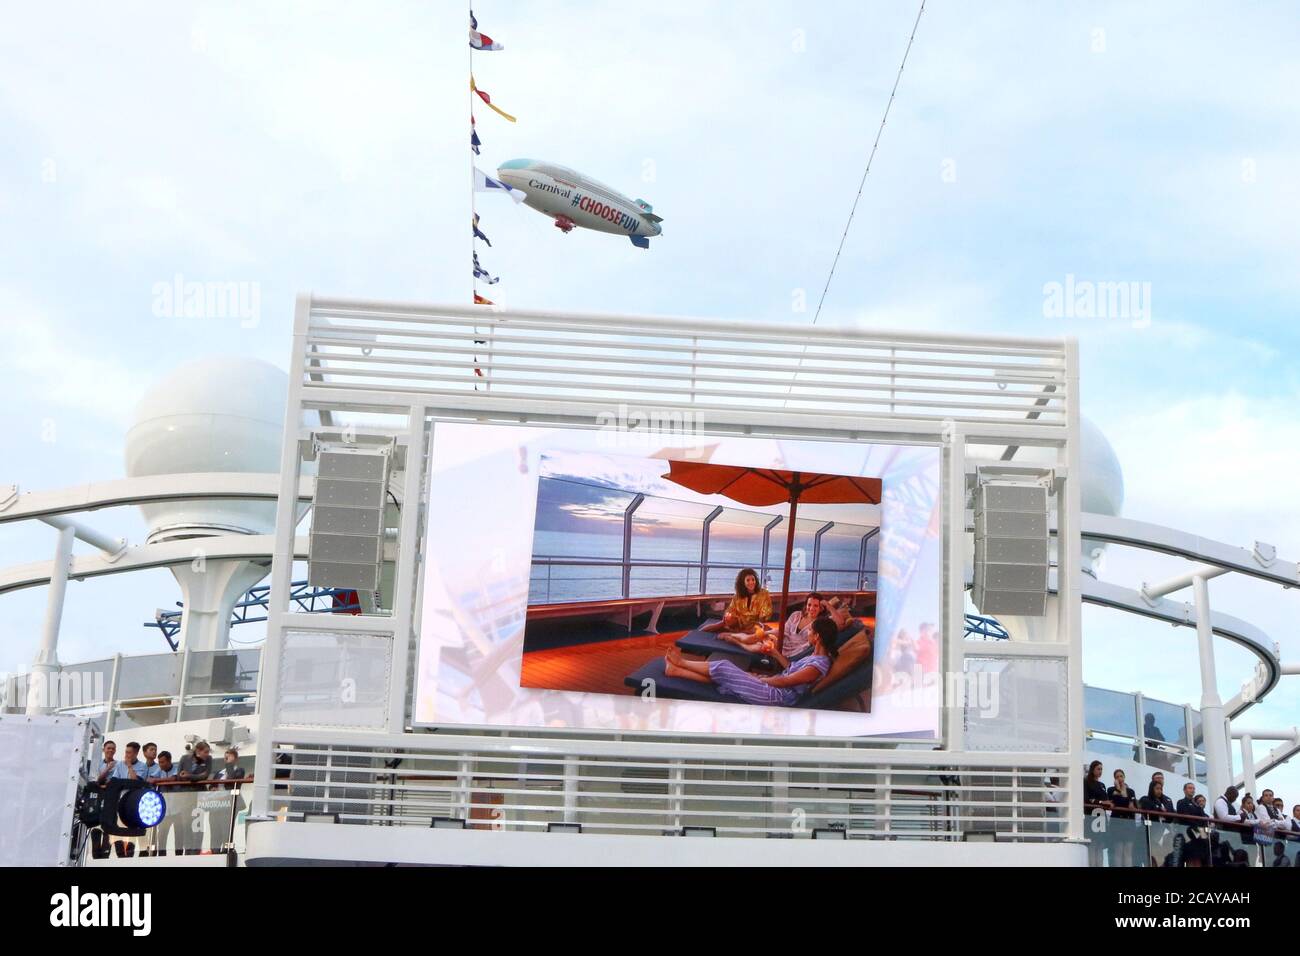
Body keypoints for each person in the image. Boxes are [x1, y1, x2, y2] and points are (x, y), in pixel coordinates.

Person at [663, 616, 836, 708]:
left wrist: (760, 679)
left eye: (811, 631)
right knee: (728, 678)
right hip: (774, 686)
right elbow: (791, 669)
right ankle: (675, 671)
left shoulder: (818, 666)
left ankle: (682, 663)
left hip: (776, 697)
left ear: (818, 636)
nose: (808, 633)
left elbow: (786, 681)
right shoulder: (814, 656)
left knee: (724, 666)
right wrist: (775, 653)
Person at [702, 568, 772, 634]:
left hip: (755, 624)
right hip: (739, 622)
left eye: (753, 580)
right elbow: (731, 609)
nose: (751, 582)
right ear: (743, 582)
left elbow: (765, 613)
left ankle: (739, 632)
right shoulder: (738, 595)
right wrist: (727, 617)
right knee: (721, 624)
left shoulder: (763, 593)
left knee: (758, 630)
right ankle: (699, 633)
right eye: (748, 580)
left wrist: (759, 624)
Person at [1108, 769, 1138, 867]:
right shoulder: (1111, 790)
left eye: (1121, 776)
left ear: (1124, 777)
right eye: (1117, 777)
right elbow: (1117, 803)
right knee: (1118, 850)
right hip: (1117, 822)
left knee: (1128, 851)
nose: (1119, 778)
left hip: (1129, 823)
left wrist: (1122, 794)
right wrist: (1118, 790)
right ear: (1114, 779)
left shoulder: (1131, 791)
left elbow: (1131, 807)